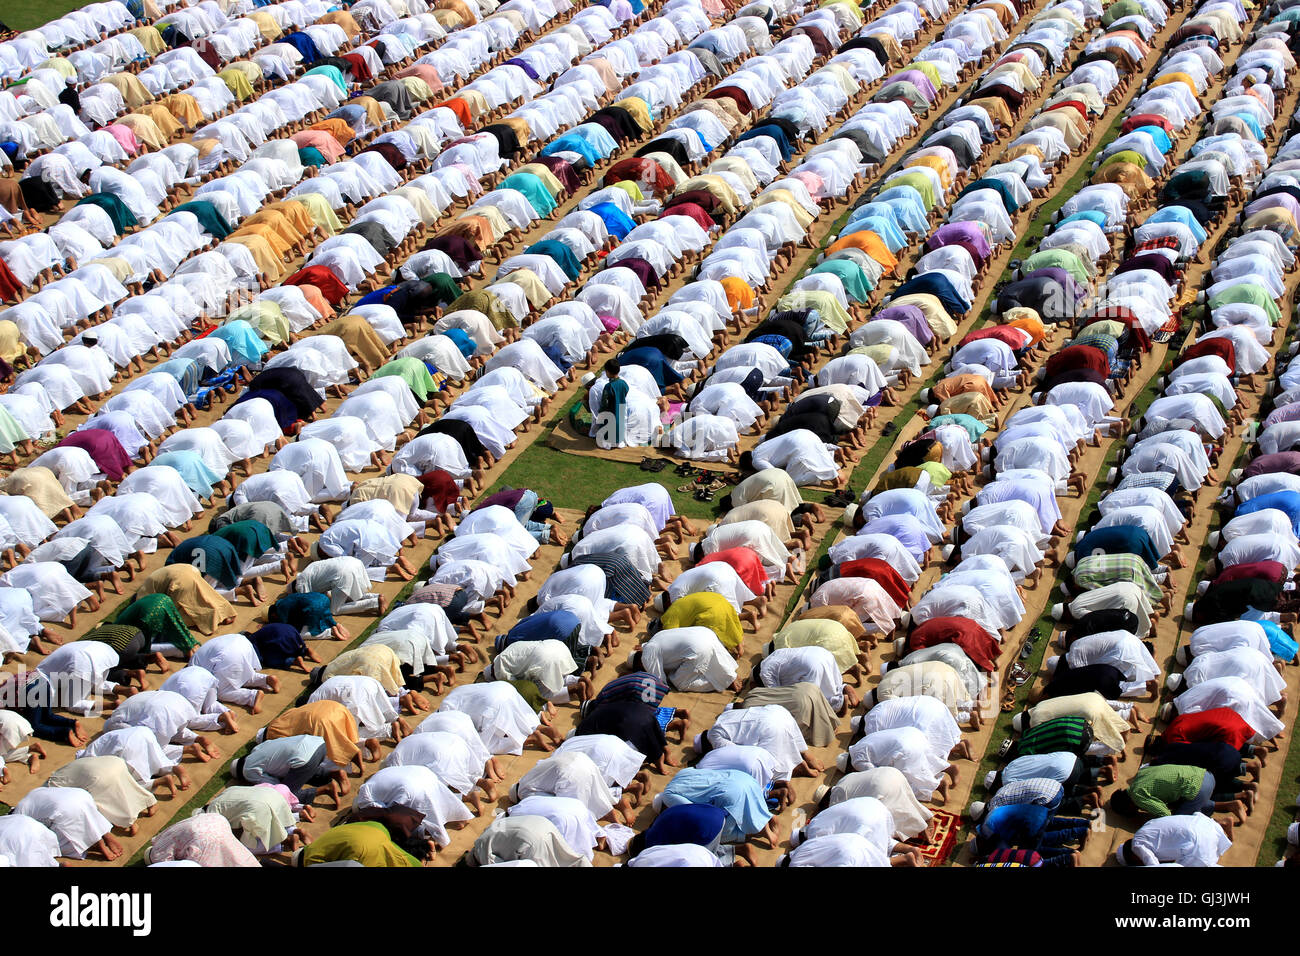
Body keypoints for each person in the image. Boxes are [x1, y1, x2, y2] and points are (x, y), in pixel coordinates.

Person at [594, 359, 629, 447]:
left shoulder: (609, 386)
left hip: (611, 412)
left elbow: (605, 403)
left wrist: (600, 412)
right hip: (621, 409)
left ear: (608, 372)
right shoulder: (623, 383)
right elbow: (626, 391)